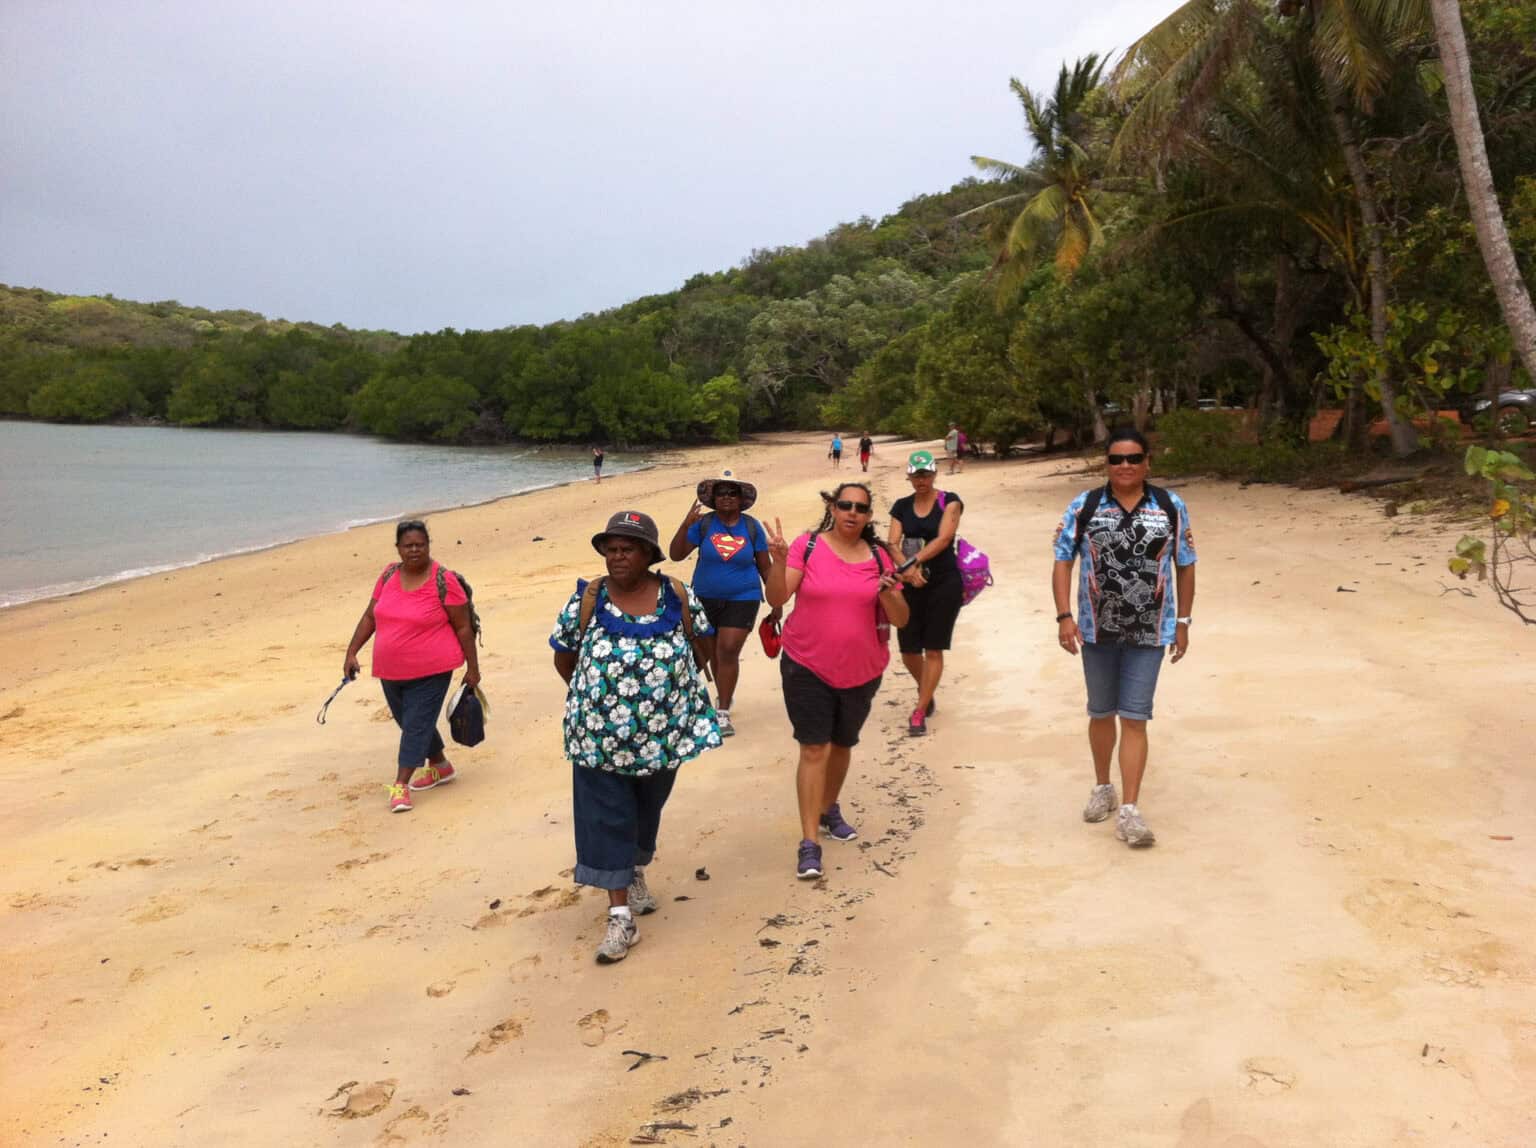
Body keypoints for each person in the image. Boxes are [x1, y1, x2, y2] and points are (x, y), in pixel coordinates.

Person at [550, 510, 722, 963]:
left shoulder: (677, 596)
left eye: (627, 548)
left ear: (648, 554)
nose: (617, 556)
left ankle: (635, 868)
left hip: (664, 737)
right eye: (611, 549)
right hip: (598, 738)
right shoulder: (587, 599)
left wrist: (665, 694)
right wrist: (600, 701)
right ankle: (620, 916)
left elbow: (703, 647)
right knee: (608, 816)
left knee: (647, 810)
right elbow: (565, 658)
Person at [1051, 429, 1197, 849]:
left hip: (1150, 632)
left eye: (1134, 458)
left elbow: (1185, 564)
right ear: (1106, 464)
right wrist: (1064, 616)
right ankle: (1103, 786)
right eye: (1116, 459)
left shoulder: (1169, 506)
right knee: (1101, 712)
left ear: (1148, 461)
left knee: (1135, 717)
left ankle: (1130, 810)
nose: (1125, 466)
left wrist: (1183, 622)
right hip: (1096, 630)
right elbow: (1062, 561)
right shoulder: (1085, 506)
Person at [765, 483, 909, 880]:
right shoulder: (807, 546)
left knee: (843, 744)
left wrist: (889, 594)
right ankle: (809, 842)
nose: (852, 513)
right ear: (833, 508)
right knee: (814, 747)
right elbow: (777, 597)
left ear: (868, 516)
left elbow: (901, 619)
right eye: (845, 505)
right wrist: (778, 561)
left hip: (863, 668)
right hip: (806, 664)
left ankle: (829, 808)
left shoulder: (880, 556)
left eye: (860, 508)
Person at [343, 519, 481, 814]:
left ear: (429, 546)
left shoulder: (444, 580)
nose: (415, 550)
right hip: (390, 670)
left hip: (433, 669)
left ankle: (400, 785)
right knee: (410, 721)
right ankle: (440, 765)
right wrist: (352, 651)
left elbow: (463, 627)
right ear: (398, 548)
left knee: (416, 724)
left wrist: (473, 669)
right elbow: (370, 617)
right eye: (408, 545)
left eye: (420, 544)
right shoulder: (388, 575)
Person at [667, 470, 779, 737]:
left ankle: (723, 712)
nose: (726, 497)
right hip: (703, 598)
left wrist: (776, 600)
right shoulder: (704, 524)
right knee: (709, 653)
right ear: (713, 499)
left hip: (744, 597)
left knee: (727, 649)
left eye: (732, 493)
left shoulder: (751, 527)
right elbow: (676, 554)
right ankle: (719, 696)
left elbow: (765, 567)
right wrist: (685, 525)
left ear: (741, 499)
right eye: (721, 493)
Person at [888, 450, 964, 737]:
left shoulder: (949, 501)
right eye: (916, 475)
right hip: (910, 583)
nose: (921, 480)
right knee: (908, 649)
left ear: (934, 474)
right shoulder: (901, 506)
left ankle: (919, 710)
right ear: (908, 476)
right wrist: (908, 571)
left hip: (943, 581)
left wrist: (914, 562)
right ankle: (927, 690)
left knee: (933, 647)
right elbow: (892, 543)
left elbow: (944, 538)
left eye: (926, 474)